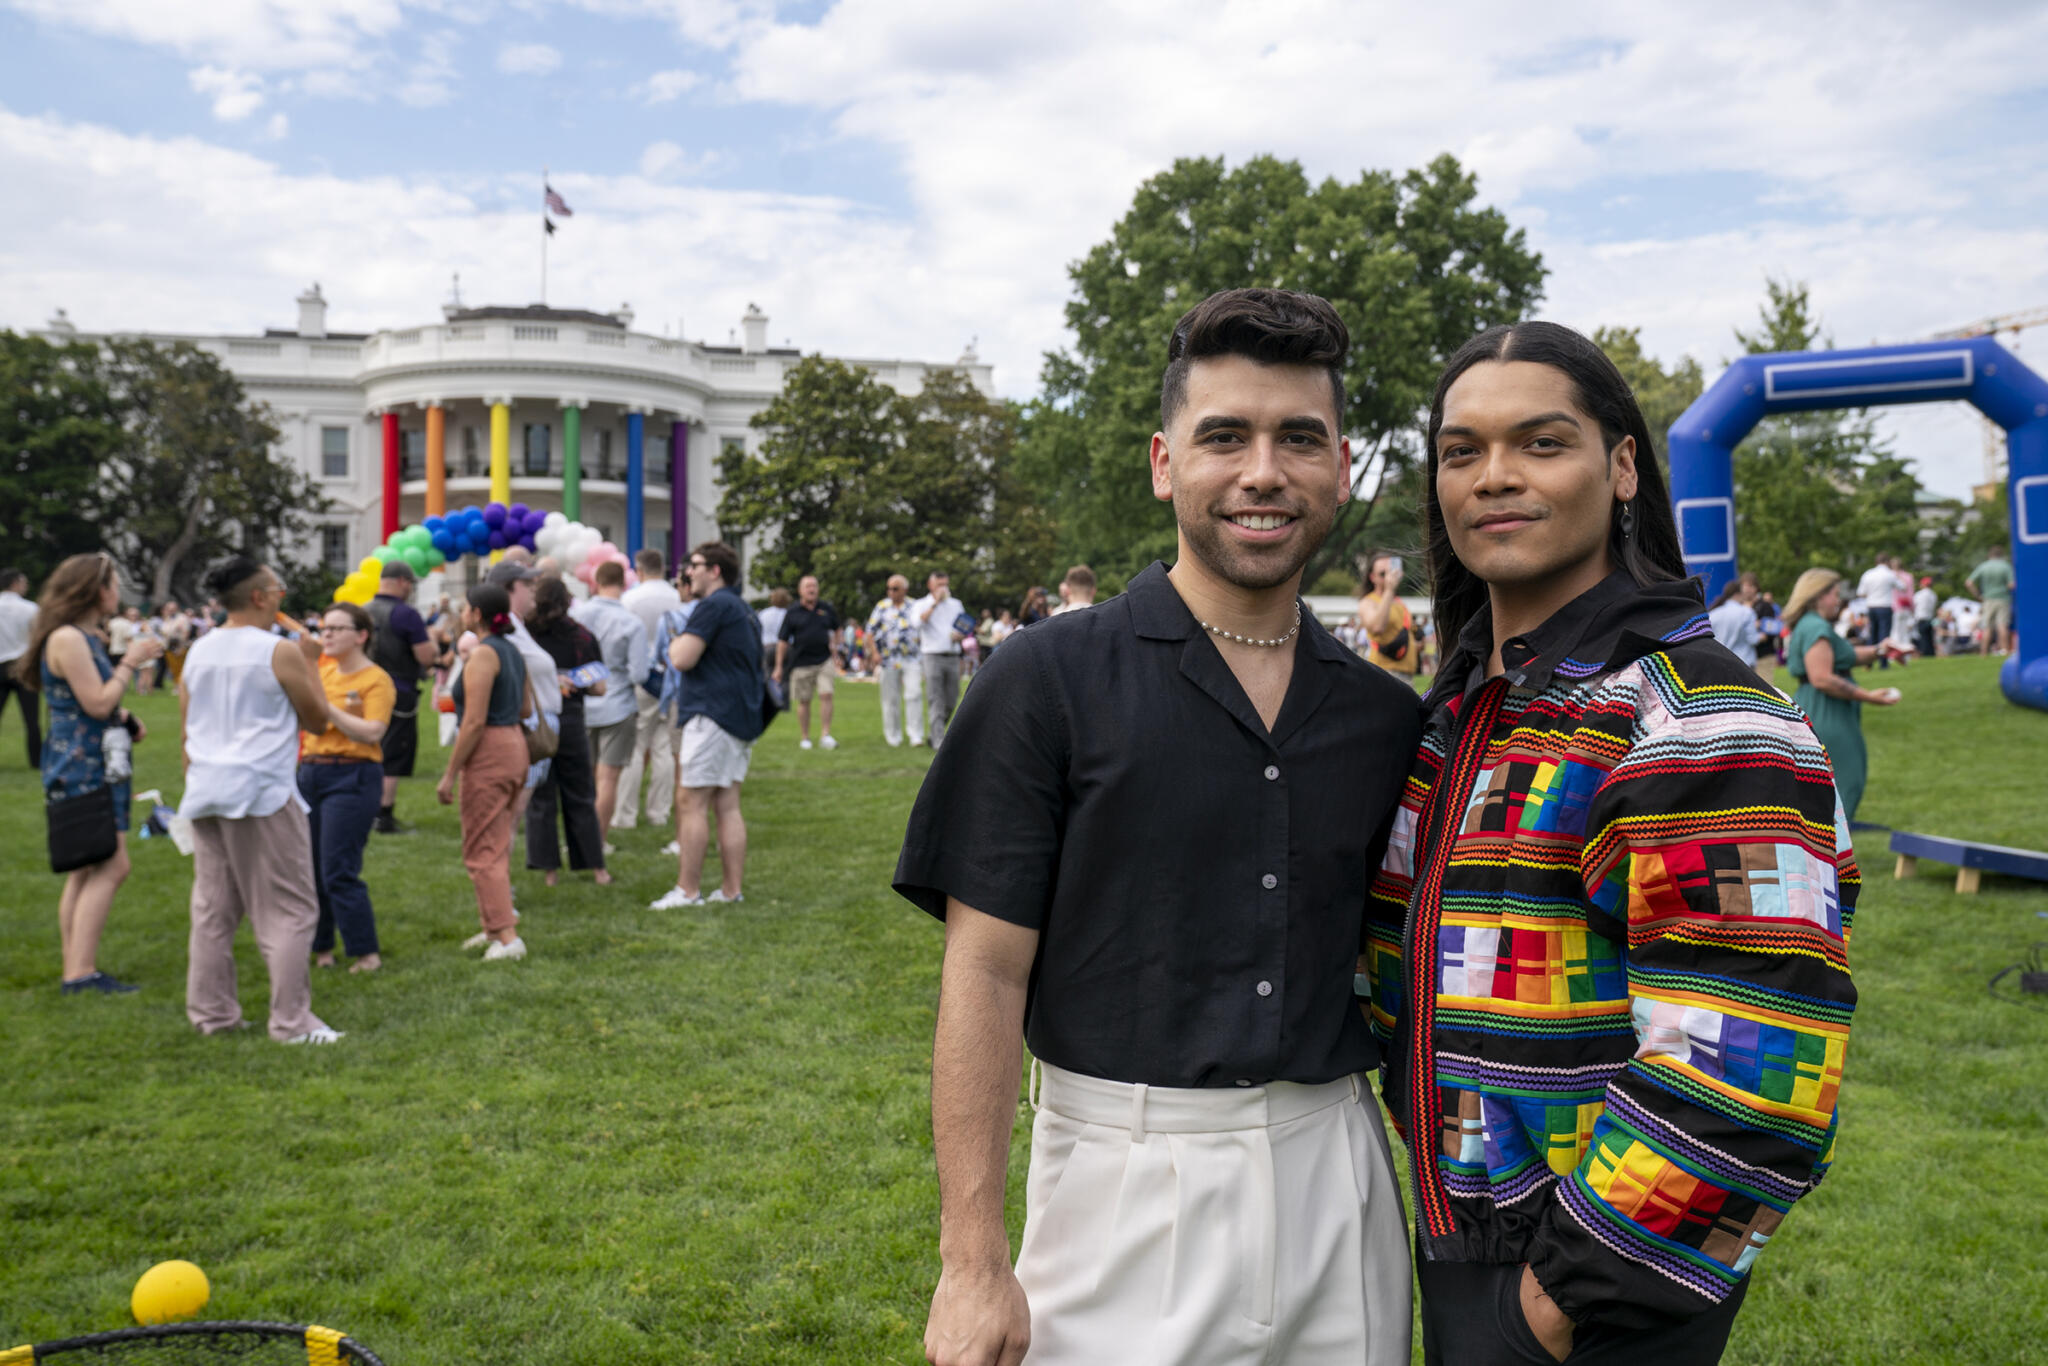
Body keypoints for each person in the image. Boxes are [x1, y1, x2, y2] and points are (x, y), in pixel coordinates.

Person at [900, 289, 1419, 1366]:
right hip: (1122, 1179)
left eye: (1298, 439)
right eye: (1222, 436)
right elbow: (985, 974)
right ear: (1161, 461)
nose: (1262, 471)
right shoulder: (1044, 677)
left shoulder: (1385, 718)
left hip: (1337, 1170)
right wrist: (970, 1256)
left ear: (1340, 465)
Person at [1365, 321, 1858, 1365]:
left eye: (1540, 443)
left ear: (1621, 464)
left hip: (1595, 1285)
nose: (1494, 476)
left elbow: (1756, 1058)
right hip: (1469, 1242)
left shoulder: (1697, 716)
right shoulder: (1462, 710)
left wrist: (1557, 1298)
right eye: (1462, 452)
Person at [179, 557, 342, 1044]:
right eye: (277, 590)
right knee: (290, 909)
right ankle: (292, 1023)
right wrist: (312, 661)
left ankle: (212, 1015)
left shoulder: (198, 651)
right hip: (262, 791)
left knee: (213, 910)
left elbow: (189, 726)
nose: (280, 598)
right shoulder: (279, 651)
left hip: (207, 786)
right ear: (258, 597)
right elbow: (317, 721)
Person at [17, 553, 163, 993]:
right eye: (114, 583)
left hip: (91, 756)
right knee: (111, 864)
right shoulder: (68, 638)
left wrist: (125, 717)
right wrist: (130, 661)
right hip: (82, 762)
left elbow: (93, 703)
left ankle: (76, 967)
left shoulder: (78, 636)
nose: (118, 593)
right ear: (96, 590)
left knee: (86, 866)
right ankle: (80, 974)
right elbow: (95, 702)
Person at [651, 542, 765, 909]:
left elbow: (682, 658)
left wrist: (672, 646)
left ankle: (687, 891)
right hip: (738, 716)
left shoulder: (713, 605)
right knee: (727, 803)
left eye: (694, 565)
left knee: (692, 801)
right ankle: (732, 891)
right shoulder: (743, 608)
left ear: (715, 570)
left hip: (712, 715)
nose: (688, 573)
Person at [438, 584, 531, 961]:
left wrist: (449, 773)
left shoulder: (483, 655)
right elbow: (525, 708)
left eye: (465, 609)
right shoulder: (513, 651)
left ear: (477, 614)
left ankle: (508, 938)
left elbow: (473, 721)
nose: (462, 614)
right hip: (515, 746)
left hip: (490, 750)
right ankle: (494, 925)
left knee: (481, 848)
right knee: (496, 842)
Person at [299, 600, 394, 974]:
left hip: (353, 775)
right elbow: (312, 723)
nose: (328, 635)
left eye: (337, 629)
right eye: (325, 628)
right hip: (310, 772)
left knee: (338, 867)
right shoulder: (323, 674)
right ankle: (322, 948)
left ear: (361, 636)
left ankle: (365, 953)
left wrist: (325, 709)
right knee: (310, 866)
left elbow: (372, 731)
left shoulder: (375, 680)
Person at [1785, 566, 1899, 821]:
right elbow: (1822, 678)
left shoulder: (1810, 625)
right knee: (1847, 782)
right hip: (1827, 713)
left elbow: (1840, 657)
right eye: (1835, 594)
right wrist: (1870, 696)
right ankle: (1834, 853)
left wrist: (1880, 651)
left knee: (1829, 786)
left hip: (1818, 709)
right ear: (1818, 595)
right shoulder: (1816, 627)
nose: (1838, 600)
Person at [523, 573, 609, 886]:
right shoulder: (582, 637)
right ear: (568, 601)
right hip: (571, 718)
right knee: (581, 793)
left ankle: (548, 872)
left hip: (536, 718)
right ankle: (596, 867)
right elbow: (600, 688)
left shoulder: (525, 635)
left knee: (541, 795)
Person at [573, 559, 652, 840]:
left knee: (584, 780)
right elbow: (640, 673)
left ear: (595, 582)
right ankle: (597, 843)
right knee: (608, 779)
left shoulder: (578, 616)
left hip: (581, 701)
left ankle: (578, 842)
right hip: (617, 704)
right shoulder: (630, 621)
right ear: (624, 583)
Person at [615, 549, 685, 832]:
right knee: (664, 748)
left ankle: (625, 814)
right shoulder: (677, 597)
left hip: (642, 676)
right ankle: (659, 812)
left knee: (634, 746)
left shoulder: (630, 599)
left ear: (639, 570)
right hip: (671, 674)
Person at [366, 560, 436, 834]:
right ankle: (384, 816)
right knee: (393, 753)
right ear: (403, 582)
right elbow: (425, 656)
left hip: (365, 688)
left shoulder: (362, 611)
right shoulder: (406, 614)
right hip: (399, 691)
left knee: (369, 749)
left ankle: (367, 810)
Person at [775, 574, 841, 751]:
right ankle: (805, 737)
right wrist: (779, 666)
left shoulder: (826, 608)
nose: (812, 589)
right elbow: (782, 640)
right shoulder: (792, 611)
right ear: (800, 590)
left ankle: (825, 735)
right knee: (804, 700)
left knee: (826, 695)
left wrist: (836, 647)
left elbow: (837, 628)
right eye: (808, 586)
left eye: (814, 586)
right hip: (801, 662)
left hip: (824, 660)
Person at [911, 571, 967, 749]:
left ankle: (935, 732)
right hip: (932, 654)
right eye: (939, 585)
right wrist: (935, 603)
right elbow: (917, 624)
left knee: (951, 699)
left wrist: (961, 635)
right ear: (931, 585)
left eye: (945, 584)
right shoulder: (921, 604)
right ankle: (938, 741)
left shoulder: (956, 604)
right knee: (936, 698)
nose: (943, 588)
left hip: (952, 654)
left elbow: (964, 626)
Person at [868, 574, 925, 747]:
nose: (890, 592)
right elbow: (869, 632)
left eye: (895, 588)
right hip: (888, 659)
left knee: (914, 694)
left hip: (912, 658)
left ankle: (916, 735)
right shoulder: (882, 607)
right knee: (890, 699)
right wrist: (874, 653)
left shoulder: (915, 606)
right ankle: (893, 736)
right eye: (889, 588)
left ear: (904, 590)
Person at [0, 566, 43, 769]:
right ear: (16, 583)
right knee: (31, 719)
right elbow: (37, 639)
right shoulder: (31, 608)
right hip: (22, 665)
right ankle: (36, 761)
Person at [1356, 550, 1418, 677]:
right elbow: (1377, 627)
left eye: (1391, 571)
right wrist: (1389, 590)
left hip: (1406, 674)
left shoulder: (1399, 603)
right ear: (1372, 577)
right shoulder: (1368, 602)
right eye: (1383, 574)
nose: (1389, 577)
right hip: (1384, 672)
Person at [1708, 570, 1765, 669]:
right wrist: (1762, 636)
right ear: (1738, 594)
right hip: (1745, 662)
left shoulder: (1713, 614)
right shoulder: (1747, 612)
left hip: (1722, 663)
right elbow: (1752, 639)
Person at [1967, 542, 2015, 655]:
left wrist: (1978, 595)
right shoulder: (2005, 566)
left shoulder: (1984, 566)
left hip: (1987, 599)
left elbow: (1969, 582)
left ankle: (1983, 653)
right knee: (2002, 625)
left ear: (1990, 555)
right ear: (2001, 555)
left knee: (1987, 626)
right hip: (2003, 598)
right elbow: (2011, 585)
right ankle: (2005, 650)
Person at [1855, 554, 1895, 668]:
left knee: (1873, 634)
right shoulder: (1890, 574)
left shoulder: (1868, 574)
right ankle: (1883, 663)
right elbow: (1902, 586)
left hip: (1872, 607)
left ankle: (1868, 662)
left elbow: (1861, 593)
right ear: (1887, 562)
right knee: (1884, 636)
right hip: (1885, 607)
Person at [758, 586, 791, 676]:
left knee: (767, 676)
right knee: (785, 675)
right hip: (785, 648)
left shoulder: (764, 613)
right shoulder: (788, 614)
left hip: (767, 647)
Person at [1913, 575, 1939, 658]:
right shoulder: (1933, 595)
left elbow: (1914, 605)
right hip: (1930, 618)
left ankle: (1925, 653)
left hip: (1921, 618)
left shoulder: (1919, 594)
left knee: (1923, 638)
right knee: (1929, 637)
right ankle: (1931, 653)